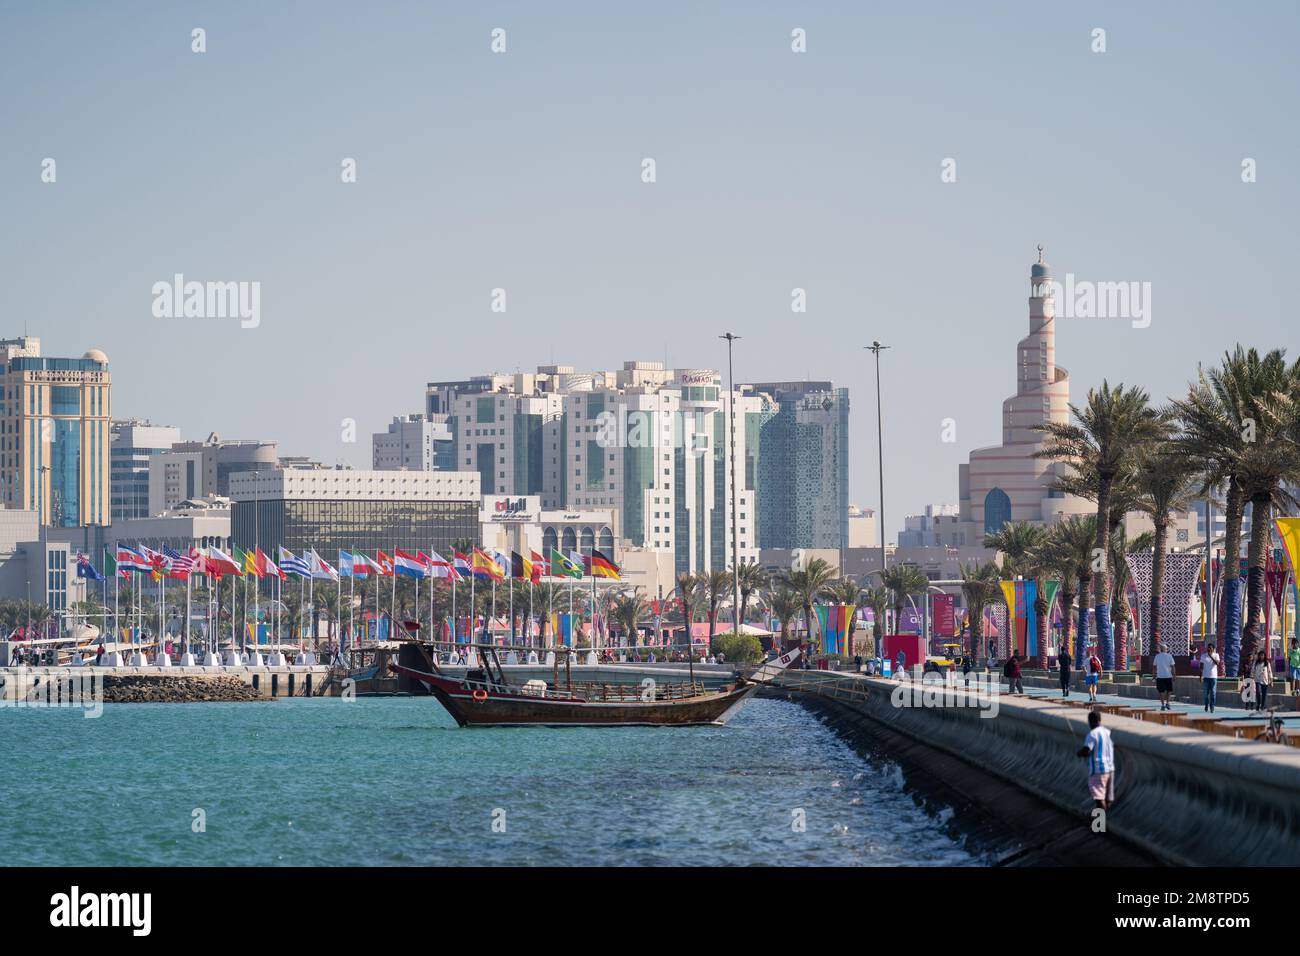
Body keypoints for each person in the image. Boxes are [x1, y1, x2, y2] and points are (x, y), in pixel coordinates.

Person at [1077, 710, 1116, 810]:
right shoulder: (1107, 732)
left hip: (1099, 770)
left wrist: (1080, 753)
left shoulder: (1092, 734)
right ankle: (1103, 821)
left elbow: (1087, 750)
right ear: (1099, 720)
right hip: (1110, 769)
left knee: (1099, 799)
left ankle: (1099, 824)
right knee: (1107, 799)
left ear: (1090, 721)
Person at [1152, 643, 1176, 711]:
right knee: (1169, 690)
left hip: (1160, 676)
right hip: (1168, 676)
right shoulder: (1169, 656)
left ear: (1161, 649)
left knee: (1161, 691)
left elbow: (1154, 667)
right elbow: (1173, 666)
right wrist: (1174, 675)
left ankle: (1163, 704)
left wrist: (1154, 675)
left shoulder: (1157, 656)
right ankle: (1167, 703)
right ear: (1165, 649)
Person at [1199, 642, 1221, 713]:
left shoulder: (1216, 655)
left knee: (1213, 692)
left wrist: (1211, 656)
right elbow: (1201, 667)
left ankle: (1212, 706)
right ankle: (1206, 704)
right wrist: (1201, 676)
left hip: (1213, 677)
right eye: (1208, 648)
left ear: (1213, 649)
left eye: (1211, 648)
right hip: (1206, 677)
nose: (1209, 649)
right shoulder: (1203, 656)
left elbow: (1217, 663)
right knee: (1206, 693)